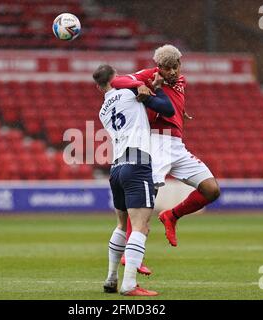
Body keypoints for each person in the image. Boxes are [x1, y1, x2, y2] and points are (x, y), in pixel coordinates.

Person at [111, 45, 221, 268]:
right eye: (167, 68)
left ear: (180, 64)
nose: (172, 72)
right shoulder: (149, 75)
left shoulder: (182, 81)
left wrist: (181, 112)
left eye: (175, 67)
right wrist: (140, 84)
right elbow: (117, 81)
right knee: (146, 198)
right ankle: (132, 256)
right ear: (158, 67)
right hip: (156, 142)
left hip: (177, 147)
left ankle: (171, 216)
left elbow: (173, 102)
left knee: (211, 189)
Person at [93, 64, 174, 296]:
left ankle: (111, 278)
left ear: (99, 87)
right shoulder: (130, 92)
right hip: (137, 163)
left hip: (117, 167)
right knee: (140, 226)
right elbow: (166, 109)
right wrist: (155, 88)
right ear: (116, 77)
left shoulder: (102, 110)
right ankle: (129, 284)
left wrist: (143, 86)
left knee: (121, 224)